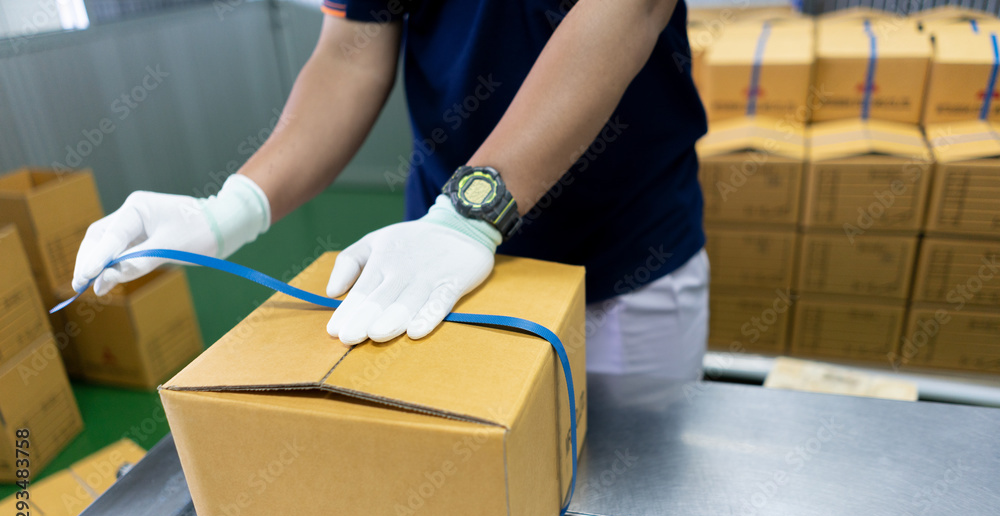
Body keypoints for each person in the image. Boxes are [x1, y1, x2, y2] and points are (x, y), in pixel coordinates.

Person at [72, 0, 709, 379]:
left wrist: (472, 213)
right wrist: (229, 211)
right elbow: (352, 53)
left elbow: (628, 9)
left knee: (629, 496)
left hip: (624, 257)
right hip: (436, 275)